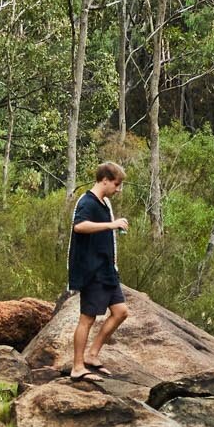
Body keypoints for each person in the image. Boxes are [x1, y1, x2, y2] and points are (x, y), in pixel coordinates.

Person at [68, 163, 131, 382]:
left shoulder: (104, 203)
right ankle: (77, 367)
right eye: (116, 184)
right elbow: (79, 226)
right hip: (92, 270)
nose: (118, 189)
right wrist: (111, 225)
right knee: (87, 318)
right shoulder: (87, 201)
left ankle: (92, 354)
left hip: (107, 270)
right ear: (104, 180)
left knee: (121, 311)